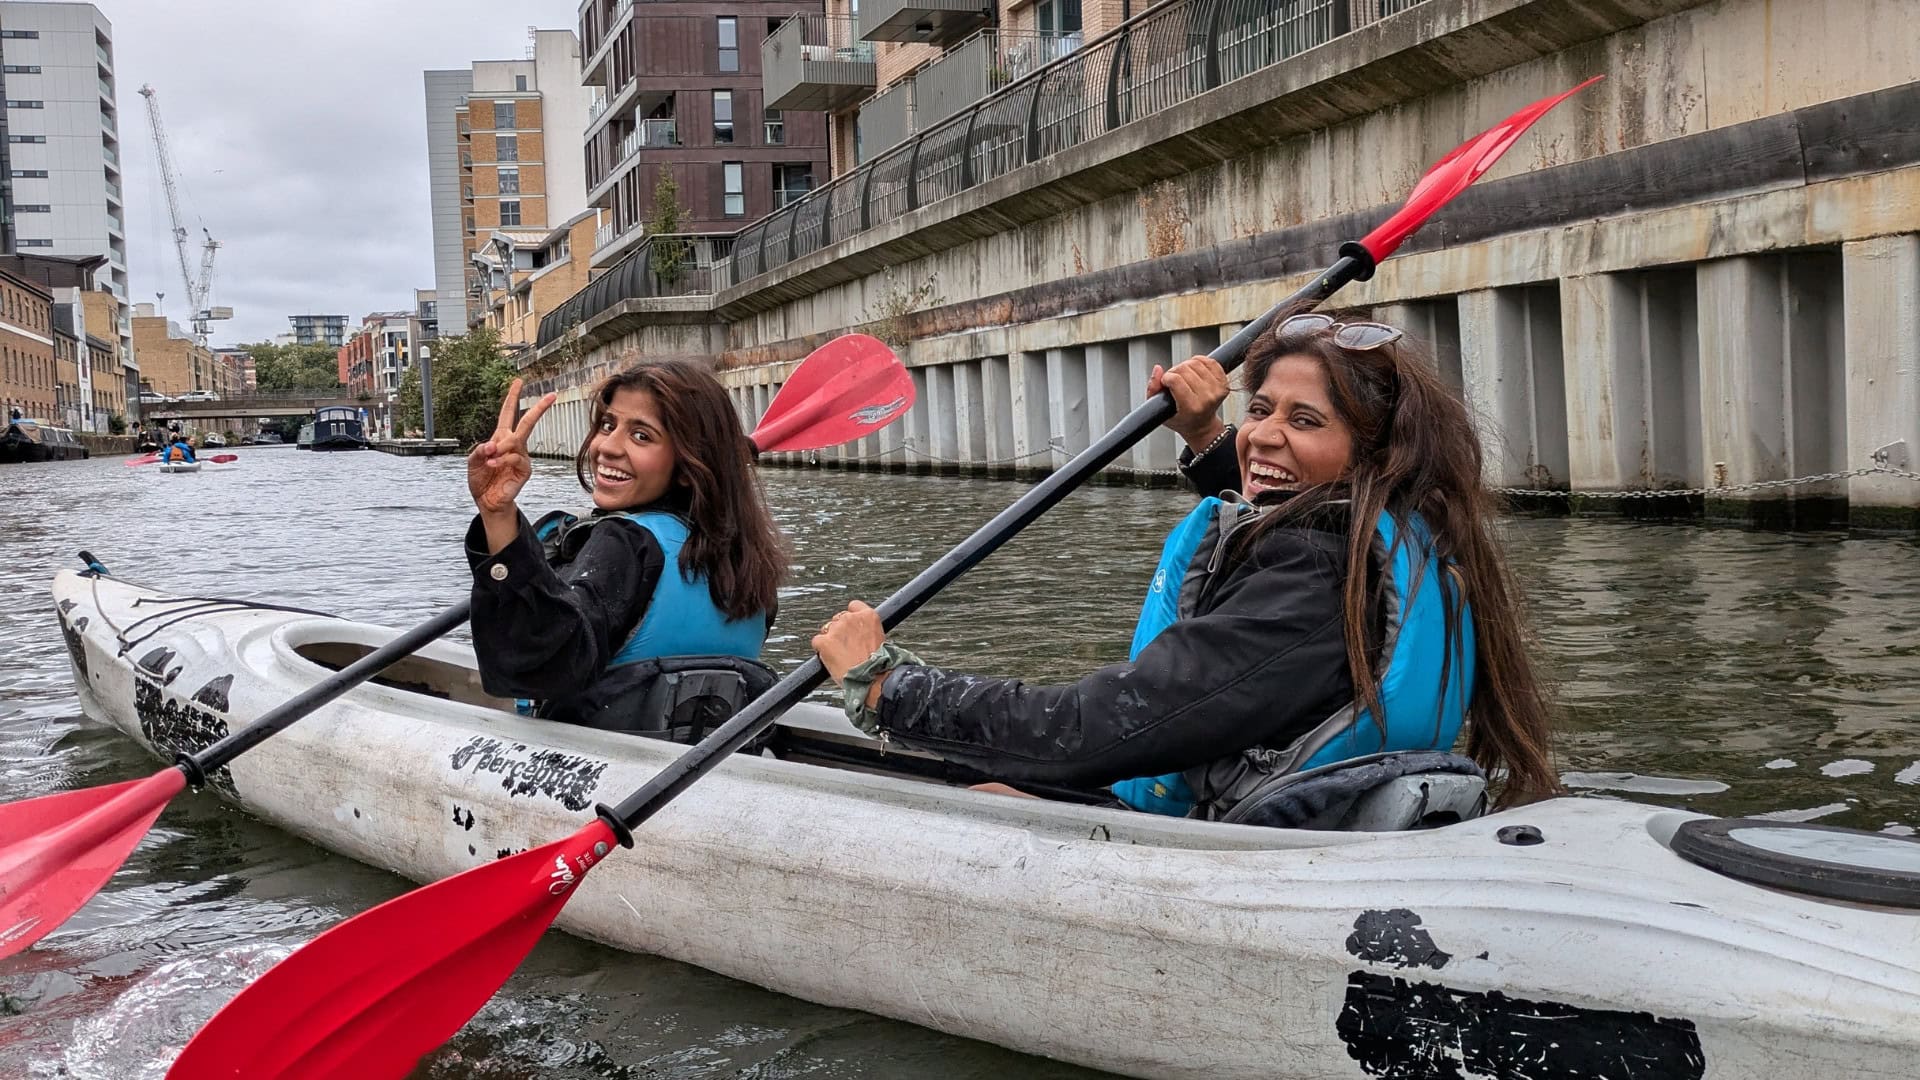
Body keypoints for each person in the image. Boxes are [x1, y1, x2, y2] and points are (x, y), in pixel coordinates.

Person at [812, 310, 1558, 819]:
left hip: (1233, 845)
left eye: (1304, 420)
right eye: (1260, 409)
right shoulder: (1411, 532)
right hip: (1300, 820)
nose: (1262, 436)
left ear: (1374, 454)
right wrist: (1206, 435)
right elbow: (1267, 531)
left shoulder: (1319, 581)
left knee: (991, 797)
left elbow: (1088, 733)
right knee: (996, 780)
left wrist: (889, 689)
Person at [464, 362, 788, 741]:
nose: (607, 447)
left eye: (640, 436)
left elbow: (537, 664)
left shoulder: (624, 542)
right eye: (607, 425)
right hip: (708, 767)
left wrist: (498, 515)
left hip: (603, 773)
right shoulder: (747, 557)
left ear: (688, 465)